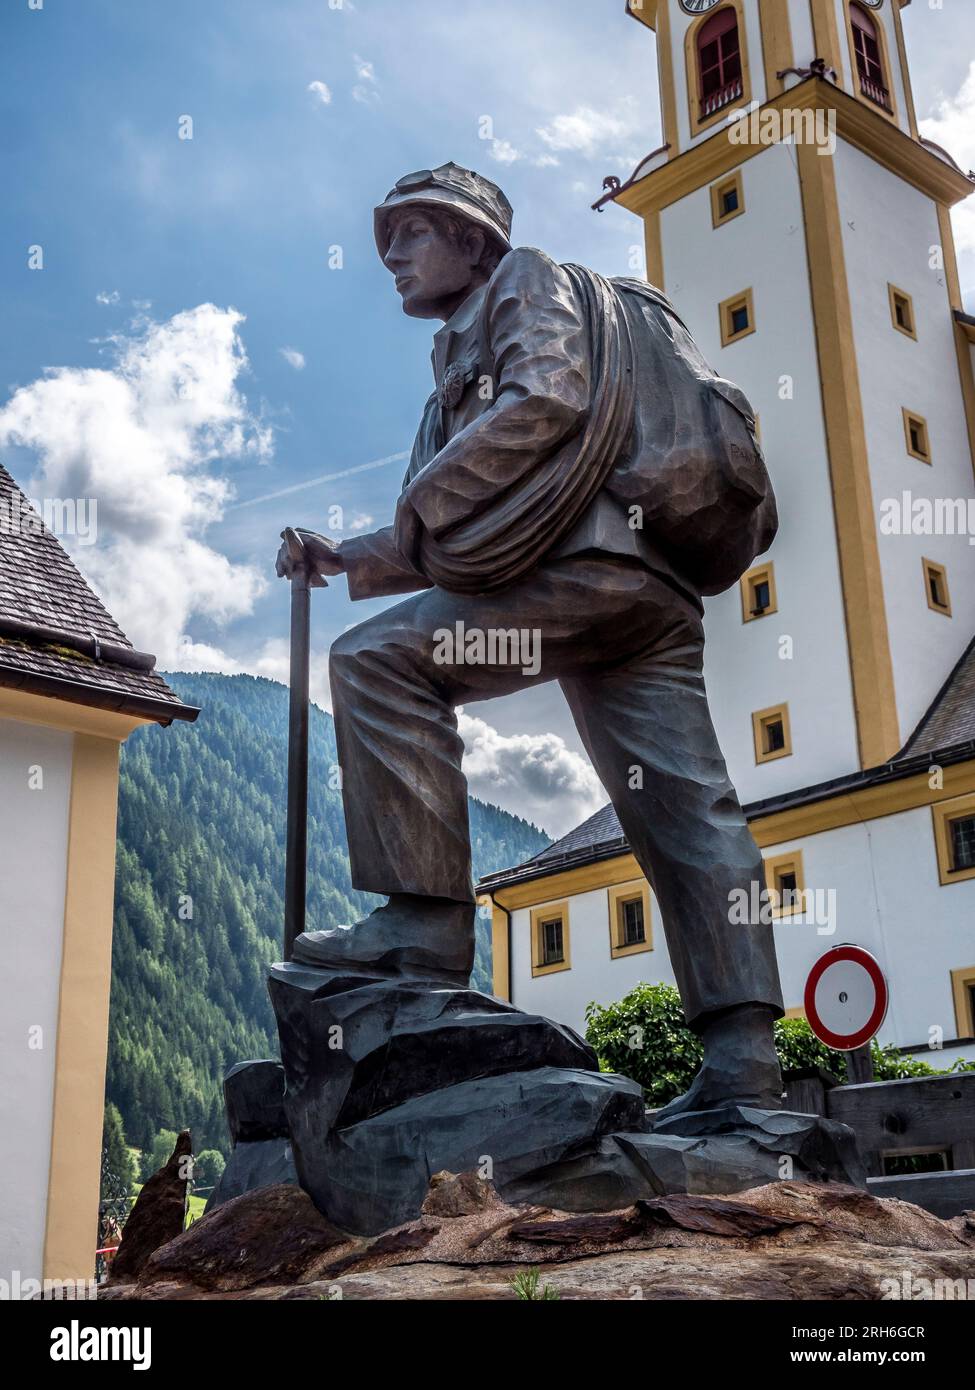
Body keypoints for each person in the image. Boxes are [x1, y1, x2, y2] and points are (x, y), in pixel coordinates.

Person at [277, 163, 784, 1120]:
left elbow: (547, 401)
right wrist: (346, 557)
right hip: (642, 598)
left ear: (473, 241)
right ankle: (745, 1066)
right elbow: (465, 534)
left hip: (587, 576)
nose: (391, 254)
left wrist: (419, 502)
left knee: (377, 662)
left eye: (414, 233)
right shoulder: (449, 379)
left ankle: (422, 927)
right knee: (685, 807)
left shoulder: (525, 282)